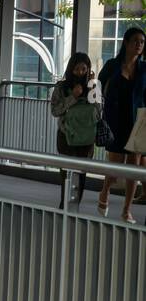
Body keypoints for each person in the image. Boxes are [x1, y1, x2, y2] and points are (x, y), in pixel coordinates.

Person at [96, 26, 146, 222]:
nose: (139, 45)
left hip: (138, 121)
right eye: (135, 41)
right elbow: (97, 87)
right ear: (126, 42)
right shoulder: (112, 65)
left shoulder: (144, 69)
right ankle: (105, 192)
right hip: (115, 120)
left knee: (134, 167)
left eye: (142, 42)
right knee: (115, 167)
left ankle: (126, 210)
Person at [49, 52, 101, 210]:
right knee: (66, 173)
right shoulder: (62, 87)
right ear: (70, 69)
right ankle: (64, 204)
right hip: (66, 136)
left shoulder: (93, 86)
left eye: (83, 69)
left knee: (82, 174)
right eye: (76, 69)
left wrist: (92, 85)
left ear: (88, 69)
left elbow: (99, 112)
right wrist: (73, 96)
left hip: (86, 138)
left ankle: (75, 206)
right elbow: (55, 110)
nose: (80, 72)